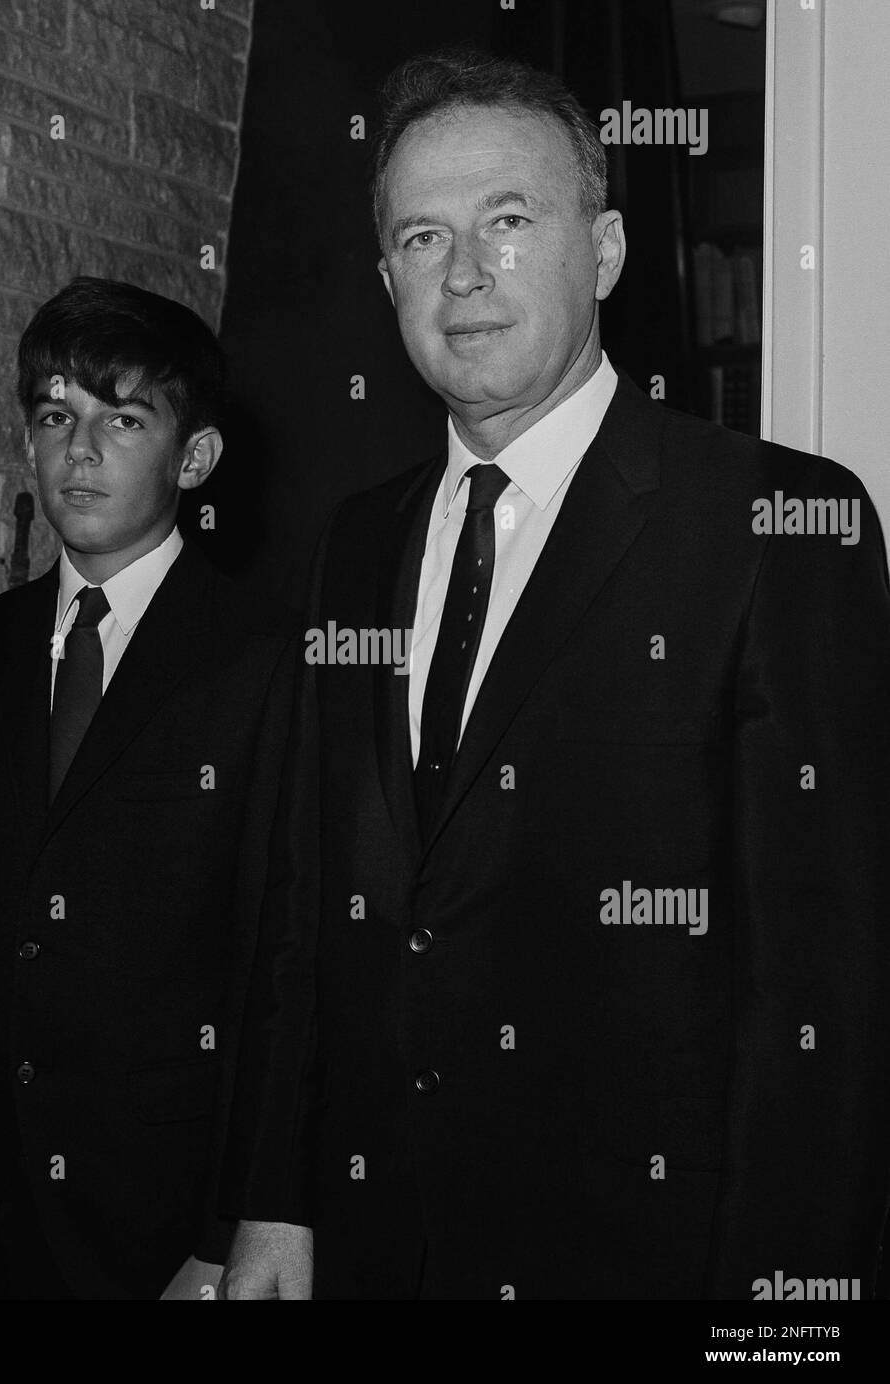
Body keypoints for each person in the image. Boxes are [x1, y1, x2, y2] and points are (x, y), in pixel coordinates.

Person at [217, 50, 890, 1300]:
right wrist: (272, 1205)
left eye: (509, 221)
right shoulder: (356, 546)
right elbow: (308, 913)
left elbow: (829, 995)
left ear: (609, 251)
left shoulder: (780, 524)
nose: (464, 273)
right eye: (423, 238)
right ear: (386, 281)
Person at [0, 276, 295, 1300]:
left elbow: (283, 971)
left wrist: (230, 1237)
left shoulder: (265, 660)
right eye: (56, 416)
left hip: (160, 1223)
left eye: (122, 418)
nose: (79, 450)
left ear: (197, 455)